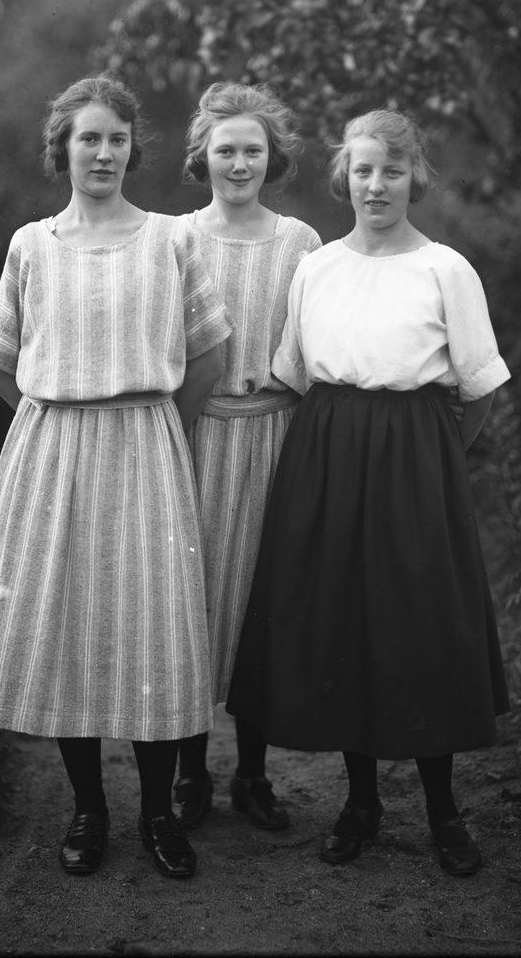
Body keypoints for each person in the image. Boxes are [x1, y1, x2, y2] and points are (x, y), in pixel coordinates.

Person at [0, 73, 232, 880]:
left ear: (131, 149)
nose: (104, 152)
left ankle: (157, 815)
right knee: (69, 630)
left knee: (148, 628)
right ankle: (89, 811)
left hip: (146, 445)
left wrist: (157, 430)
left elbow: (209, 357)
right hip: (54, 453)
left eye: (116, 137)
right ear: (63, 150)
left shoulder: (170, 240)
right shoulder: (31, 245)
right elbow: (1, 367)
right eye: (88, 138)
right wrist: (51, 428)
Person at [226, 108, 511, 876]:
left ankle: (444, 812)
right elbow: (290, 375)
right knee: (347, 625)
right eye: (362, 170)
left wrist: (434, 461)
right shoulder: (317, 267)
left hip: (416, 458)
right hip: (326, 455)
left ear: (413, 176)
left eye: (390, 170)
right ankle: (361, 805)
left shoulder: (444, 269)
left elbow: (479, 388)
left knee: (418, 625)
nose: (375, 185)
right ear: (342, 178)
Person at [173, 83, 322, 833]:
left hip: (273, 436)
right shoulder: (172, 238)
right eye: (225, 149)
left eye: (251, 150)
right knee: (191, 599)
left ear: (273, 159)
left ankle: (253, 774)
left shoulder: (299, 243)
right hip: (194, 436)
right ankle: (189, 770)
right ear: (202, 156)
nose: (238, 163)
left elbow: (315, 347)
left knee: (264, 602)